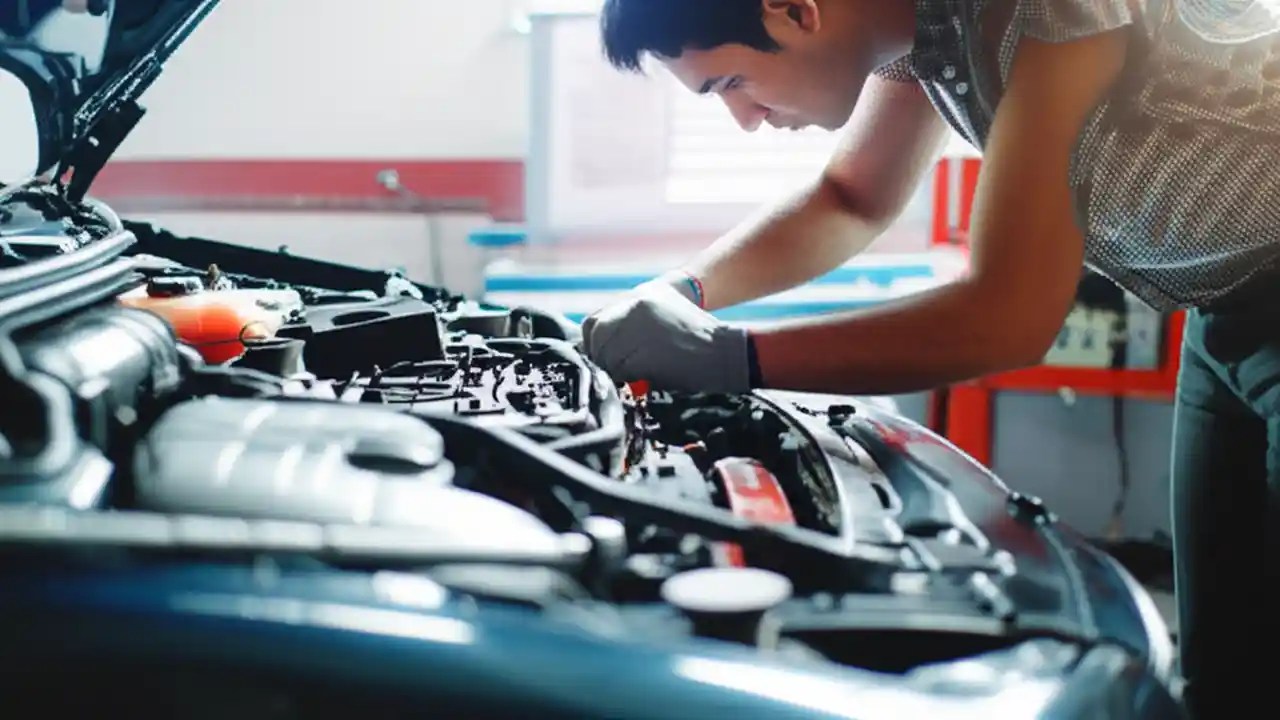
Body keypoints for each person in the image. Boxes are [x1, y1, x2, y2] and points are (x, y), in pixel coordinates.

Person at [579, 1, 1280, 717]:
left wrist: (727, 357)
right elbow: (851, 198)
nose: (746, 118)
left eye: (729, 82)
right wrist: (678, 293)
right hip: (1224, 313)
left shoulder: (1057, 12)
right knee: (1226, 677)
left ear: (793, 10)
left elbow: (1006, 316)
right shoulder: (921, 31)